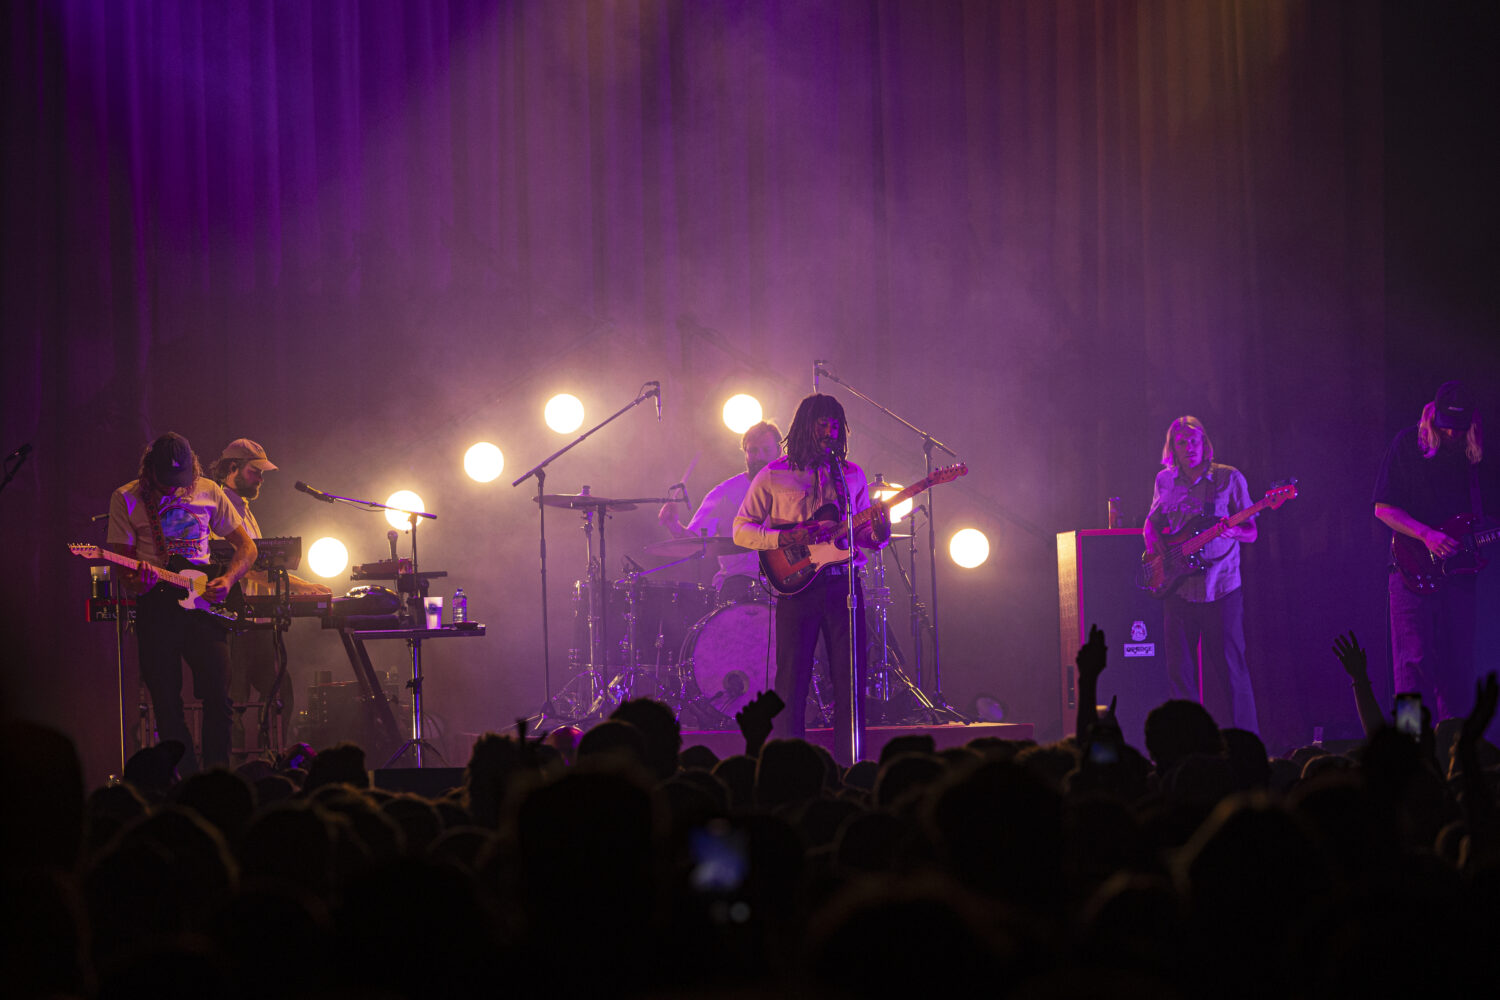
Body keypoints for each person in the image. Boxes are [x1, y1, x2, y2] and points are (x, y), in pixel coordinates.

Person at [733, 394, 890, 762]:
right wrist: (785, 537)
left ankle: (851, 764)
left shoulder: (852, 473)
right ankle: (789, 764)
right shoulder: (773, 473)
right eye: (822, 424)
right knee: (792, 678)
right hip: (796, 586)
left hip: (843, 583)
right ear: (804, 426)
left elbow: (862, 533)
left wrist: (877, 531)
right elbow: (741, 529)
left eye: (835, 424)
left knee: (850, 678)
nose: (830, 431)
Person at [106, 432, 257, 773]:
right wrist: (137, 581)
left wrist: (229, 578)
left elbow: (247, 548)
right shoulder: (126, 498)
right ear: (150, 470)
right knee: (165, 703)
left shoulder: (209, 491)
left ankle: (218, 774)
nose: (175, 488)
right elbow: (124, 571)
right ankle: (186, 776)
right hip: (156, 606)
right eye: (166, 481)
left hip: (203, 603)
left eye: (181, 480)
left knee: (219, 697)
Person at [1373, 380, 1496, 720]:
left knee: (1457, 667)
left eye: (1461, 429)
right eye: (1447, 427)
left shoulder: (1475, 456)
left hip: (1459, 574)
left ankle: (1452, 746)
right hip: (1410, 569)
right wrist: (1427, 535)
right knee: (1412, 667)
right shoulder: (1408, 445)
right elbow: (1383, 508)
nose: (1453, 435)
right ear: (1432, 417)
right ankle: (1409, 747)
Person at [210, 438, 331, 748]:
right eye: (255, 471)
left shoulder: (245, 511)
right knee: (234, 705)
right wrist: (303, 587)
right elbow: (251, 569)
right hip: (235, 624)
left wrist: (301, 586)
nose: (261, 479)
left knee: (280, 693)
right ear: (233, 468)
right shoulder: (219, 510)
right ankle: (234, 770)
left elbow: (265, 569)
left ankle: (269, 759)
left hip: (257, 623)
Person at [1142, 415, 1259, 732]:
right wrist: (1156, 553)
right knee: (1180, 674)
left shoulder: (1228, 478)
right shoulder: (1164, 481)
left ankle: (1247, 742)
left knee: (1232, 671)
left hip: (1220, 588)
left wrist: (1232, 532)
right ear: (1173, 449)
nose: (1189, 447)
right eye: (1182, 443)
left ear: (1204, 443)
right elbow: (1151, 523)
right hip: (1178, 589)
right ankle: (1187, 741)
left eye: (1194, 441)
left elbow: (1250, 531)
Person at [658, 420, 781, 600]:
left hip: (788, 582)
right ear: (745, 453)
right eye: (753, 451)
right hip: (739, 584)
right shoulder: (724, 493)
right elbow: (693, 542)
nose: (759, 457)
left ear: (779, 451)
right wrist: (673, 525)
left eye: (766, 450)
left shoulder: (796, 487)